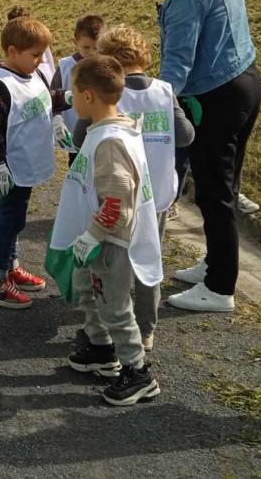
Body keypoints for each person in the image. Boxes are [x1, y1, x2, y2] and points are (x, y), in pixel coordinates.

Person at [131, 0, 261, 313]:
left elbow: (176, 66)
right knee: (226, 185)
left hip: (216, 97)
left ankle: (220, 287)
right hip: (246, 80)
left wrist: (151, 107)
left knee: (213, 192)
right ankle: (215, 262)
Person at [49, 55, 163, 406]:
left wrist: (93, 236)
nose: (70, 99)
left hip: (110, 242)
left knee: (114, 305)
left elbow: (117, 201)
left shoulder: (111, 141)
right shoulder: (106, 129)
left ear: (88, 96)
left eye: (73, 92)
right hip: (97, 236)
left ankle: (138, 372)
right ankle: (101, 348)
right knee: (87, 289)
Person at [93, 25, 195, 351]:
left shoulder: (110, 94)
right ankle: (146, 329)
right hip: (158, 193)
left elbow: (84, 135)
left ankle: (113, 324)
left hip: (118, 192)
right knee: (150, 259)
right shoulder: (164, 91)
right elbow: (186, 136)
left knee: (114, 261)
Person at [0, 15, 73, 309]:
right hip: (9, 169)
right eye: (35, 55)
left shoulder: (33, 74)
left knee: (16, 219)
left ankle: (11, 266)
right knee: (8, 221)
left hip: (26, 164)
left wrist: (69, 97)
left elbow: (46, 98)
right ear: (13, 51)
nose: (41, 60)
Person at [54, 14, 105, 166]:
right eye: (86, 47)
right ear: (75, 42)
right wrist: (57, 120)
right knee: (77, 168)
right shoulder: (65, 67)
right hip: (74, 134)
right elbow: (52, 95)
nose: (91, 53)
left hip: (101, 133)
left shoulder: (107, 66)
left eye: (96, 48)